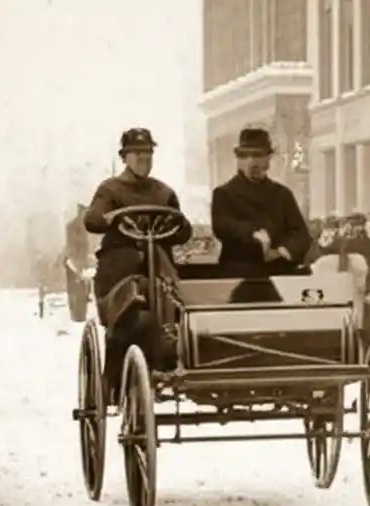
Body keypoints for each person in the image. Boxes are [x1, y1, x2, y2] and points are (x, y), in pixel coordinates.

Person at [83, 128, 192, 401]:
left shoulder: (163, 192)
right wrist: (109, 218)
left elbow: (183, 229)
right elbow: (92, 220)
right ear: (124, 157)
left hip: (160, 263)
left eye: (148, 154)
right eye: (137, 154)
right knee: (134, 293)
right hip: (121, 266)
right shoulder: (110, 190)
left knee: (171, 289)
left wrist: (177, 226)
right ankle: (116, 372)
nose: (144, 159)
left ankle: (172, 346)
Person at [210, 127, 312, 274]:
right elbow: (223, 227)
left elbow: (301, 234)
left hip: (279, 273)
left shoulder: (282, 194)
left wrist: (281, 252)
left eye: (258, 155)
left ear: (268, 159)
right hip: (239, 274)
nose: (251, 162)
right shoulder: (224, 194)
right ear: (238, 159)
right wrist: (255, 233)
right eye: (244, 155)